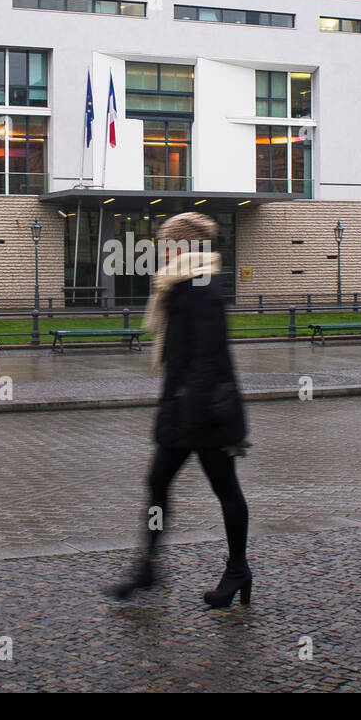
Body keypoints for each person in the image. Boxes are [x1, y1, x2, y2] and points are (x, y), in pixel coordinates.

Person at [108, 212, 252, 608]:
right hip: (184, 410)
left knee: (225, 490)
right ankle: (149, 566)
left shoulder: (202, 286)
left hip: (206, 414)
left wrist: (188, 414)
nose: (161, 250)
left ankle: (237, 569)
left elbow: (208, 357)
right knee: (158, 483)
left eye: (167, 243)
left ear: (184, 246)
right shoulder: (179, 286)